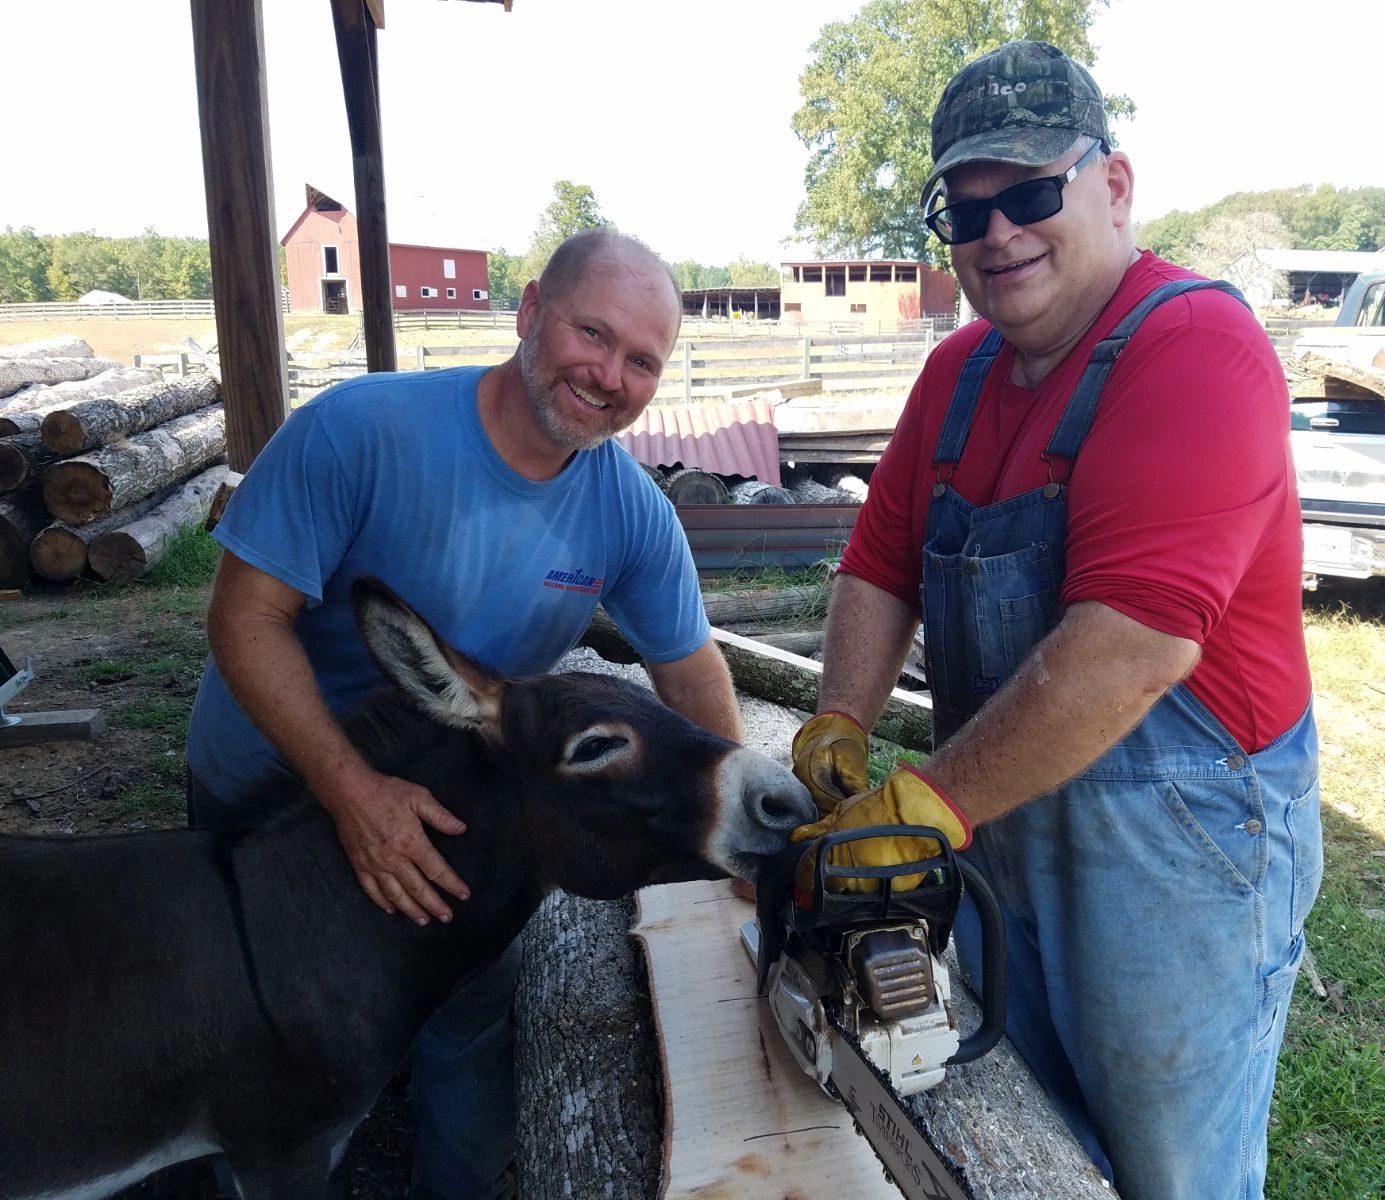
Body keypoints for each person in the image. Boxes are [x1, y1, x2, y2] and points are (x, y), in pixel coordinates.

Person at [788, 41, 1322, 1200]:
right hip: (1004, 809)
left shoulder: (1193, 349)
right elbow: (878, 564)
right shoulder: (959, 376)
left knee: (1170, 1171)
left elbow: (1132, 649)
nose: (997, 235)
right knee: (1023, 1135)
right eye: (965, 212)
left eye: (1030, 194)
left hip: (1181, 852)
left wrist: (929, 802)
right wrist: (838, 717)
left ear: (1113, 187)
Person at [186, 228, 741, 1200]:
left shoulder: (628, 511)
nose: (609, 374)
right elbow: (243, 620)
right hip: (270, 787)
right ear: (529, 313)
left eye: (641, 360)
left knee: (463, 1016)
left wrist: (733, 823)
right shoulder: (359, 431)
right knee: (253, 1039)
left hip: (456, 808)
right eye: (591, 333)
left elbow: (691, 676)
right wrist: (350, 791)